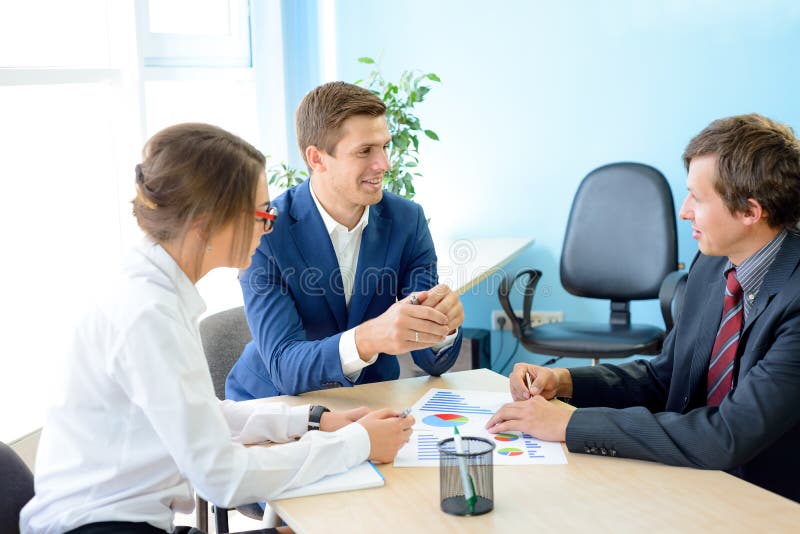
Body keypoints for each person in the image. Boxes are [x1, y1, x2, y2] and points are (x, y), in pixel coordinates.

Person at [20, 123, 414, 534]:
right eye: (262, 214)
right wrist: (357, 444)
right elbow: (223, 477)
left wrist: (313, 421)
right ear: (205, 225)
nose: (269, 227)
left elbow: (202, 415)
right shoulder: (147, 313)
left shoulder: (156, 290)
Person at [486, 113, 800, 502]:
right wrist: (566, 382)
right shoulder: (713, 263)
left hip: (769, 500)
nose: (685, 211)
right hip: (691, 483)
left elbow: (728, 435)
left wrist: (573, 424)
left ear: (751, 212)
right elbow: (664, 380)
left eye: (698, 199)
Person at [226, 82, 465, 400]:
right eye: (365, 151)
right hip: (273, 406)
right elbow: (284, 366)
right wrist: (367, 340)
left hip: (370, 400)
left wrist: (442, 327)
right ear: (317, 158)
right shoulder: (266, 233)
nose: (384, 164)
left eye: (385, 146)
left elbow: (430, 360)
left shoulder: (408, 221)